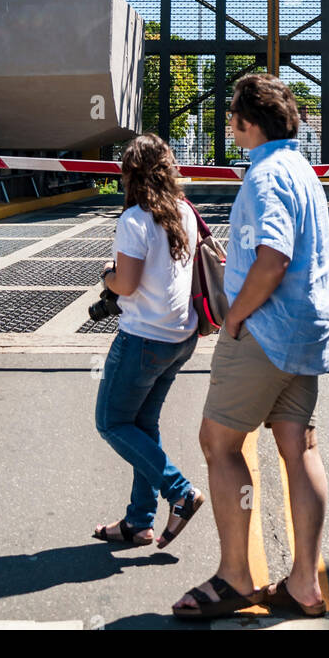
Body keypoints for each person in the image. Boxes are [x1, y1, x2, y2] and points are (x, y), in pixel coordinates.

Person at [173, 73, 329, 622]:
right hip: (308, 330)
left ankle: (236, 578)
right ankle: (303, 586)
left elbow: (274, 256)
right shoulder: (303, 171)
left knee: (220, 444)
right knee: (300, 448)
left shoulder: (266, 175)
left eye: (231, 116)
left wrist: (235, 316)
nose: (228, 124)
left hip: (265, 331)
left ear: (248, 122)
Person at [93, 133, 205, 549]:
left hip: (144, 339)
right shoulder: (184, 212)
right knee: (142, 425)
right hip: (181, 336)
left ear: (130, 175)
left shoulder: (134, 219)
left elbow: (126, 284)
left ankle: (180, 492)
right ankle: (138, 522)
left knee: (111, 423)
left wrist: (108, 274)